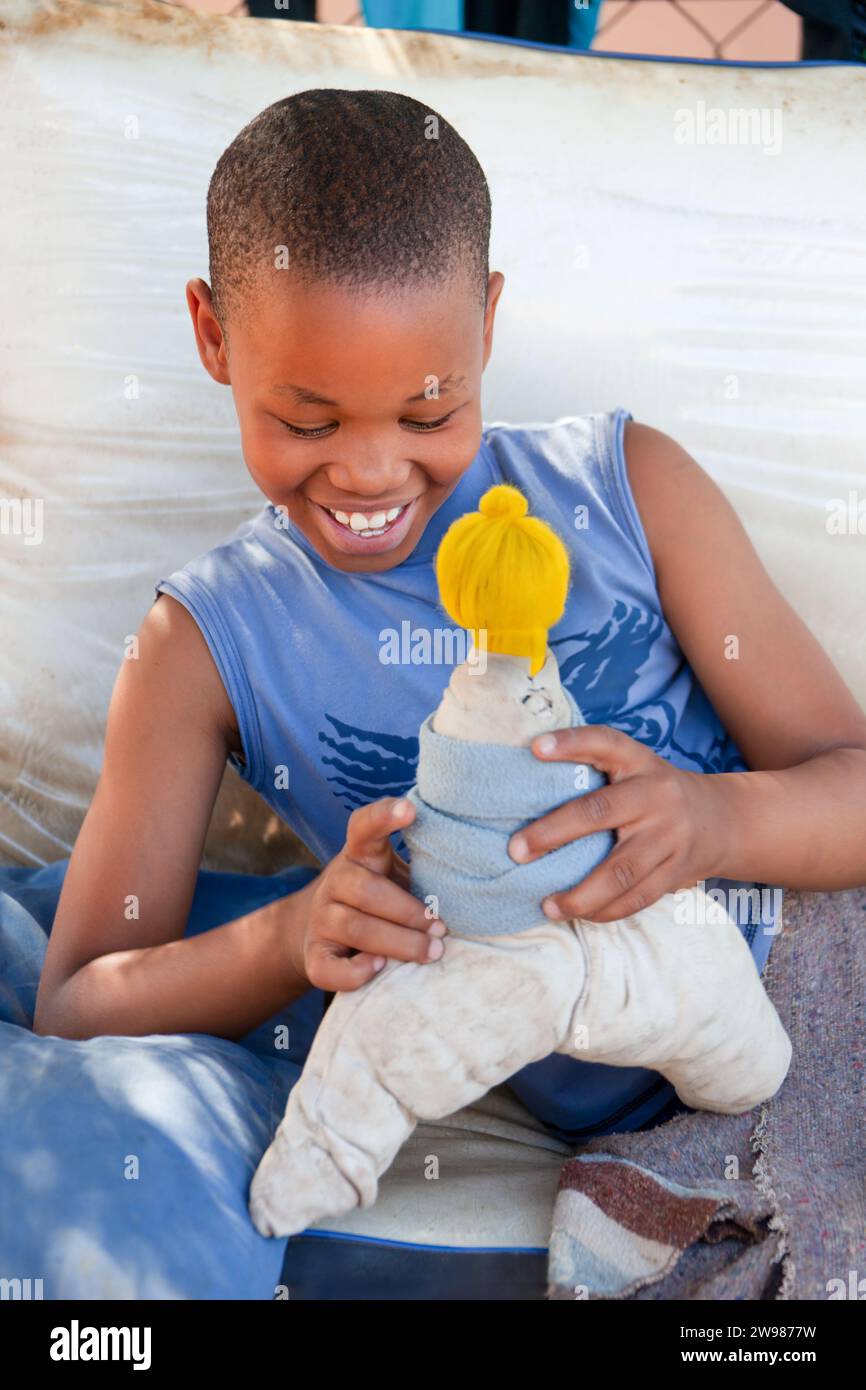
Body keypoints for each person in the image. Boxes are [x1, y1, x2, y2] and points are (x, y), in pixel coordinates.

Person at [12, 88, 866, 1294]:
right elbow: (79, 999)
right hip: (604, 1092)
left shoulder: (628, 489)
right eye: (304, 418)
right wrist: (292, 931)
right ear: (211, 336)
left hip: (816, 975)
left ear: (487, 319)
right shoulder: (203, 642)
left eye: (428, 410)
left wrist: (713, 819)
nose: (367, 469)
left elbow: (852, 783)